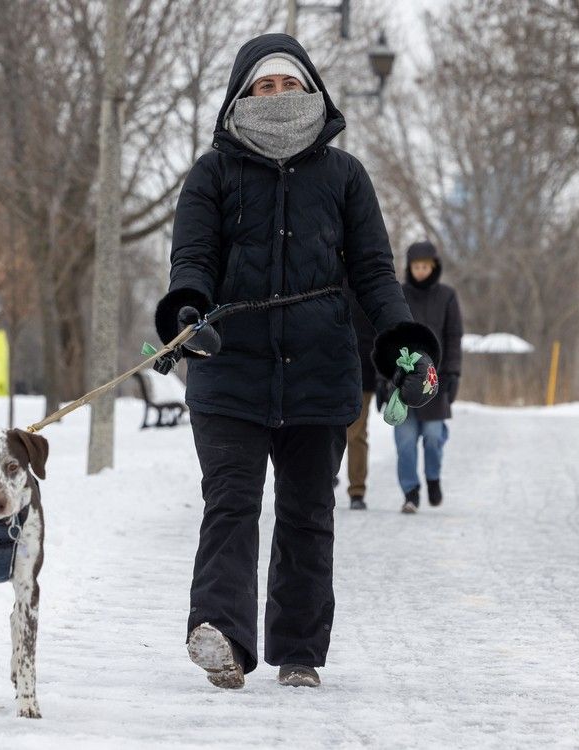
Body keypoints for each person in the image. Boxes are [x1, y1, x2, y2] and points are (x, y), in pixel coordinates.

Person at [154, 34, 440, 690]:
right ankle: (221, 635)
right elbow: (191, 259)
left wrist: (404, 343)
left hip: (319, 370)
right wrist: (189, 313)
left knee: (308, 513)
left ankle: (299, 651)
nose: (278, 95)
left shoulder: (345, 177)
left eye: (289, 84)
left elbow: (374, 272)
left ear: (312, 90)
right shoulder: (211, 175)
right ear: (241, 95)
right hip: (229, 369)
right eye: (265, 85)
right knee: (231, 502)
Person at [385, 241, 463, 513]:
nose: (420, 271)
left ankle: (432, 478)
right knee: (405, 442)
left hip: (434, 381)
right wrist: (384, 379)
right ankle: (411, 492)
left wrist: (453, 373)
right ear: (410, 267)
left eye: (425, 266)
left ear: (434, 266)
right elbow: (386, 336)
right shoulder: (398, 294)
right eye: (416, 266)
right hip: (402, 379)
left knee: (433, 437)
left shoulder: (447, 296)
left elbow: (453, 337)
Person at [341, 289, 388, 510]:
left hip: (364, 374)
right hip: (328, 371)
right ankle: (324, 476)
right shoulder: (328, 280)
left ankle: (357, 491)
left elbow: (383, 335)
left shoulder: (370, 286)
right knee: (321, 431)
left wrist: (382, 377)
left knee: (356, 433)